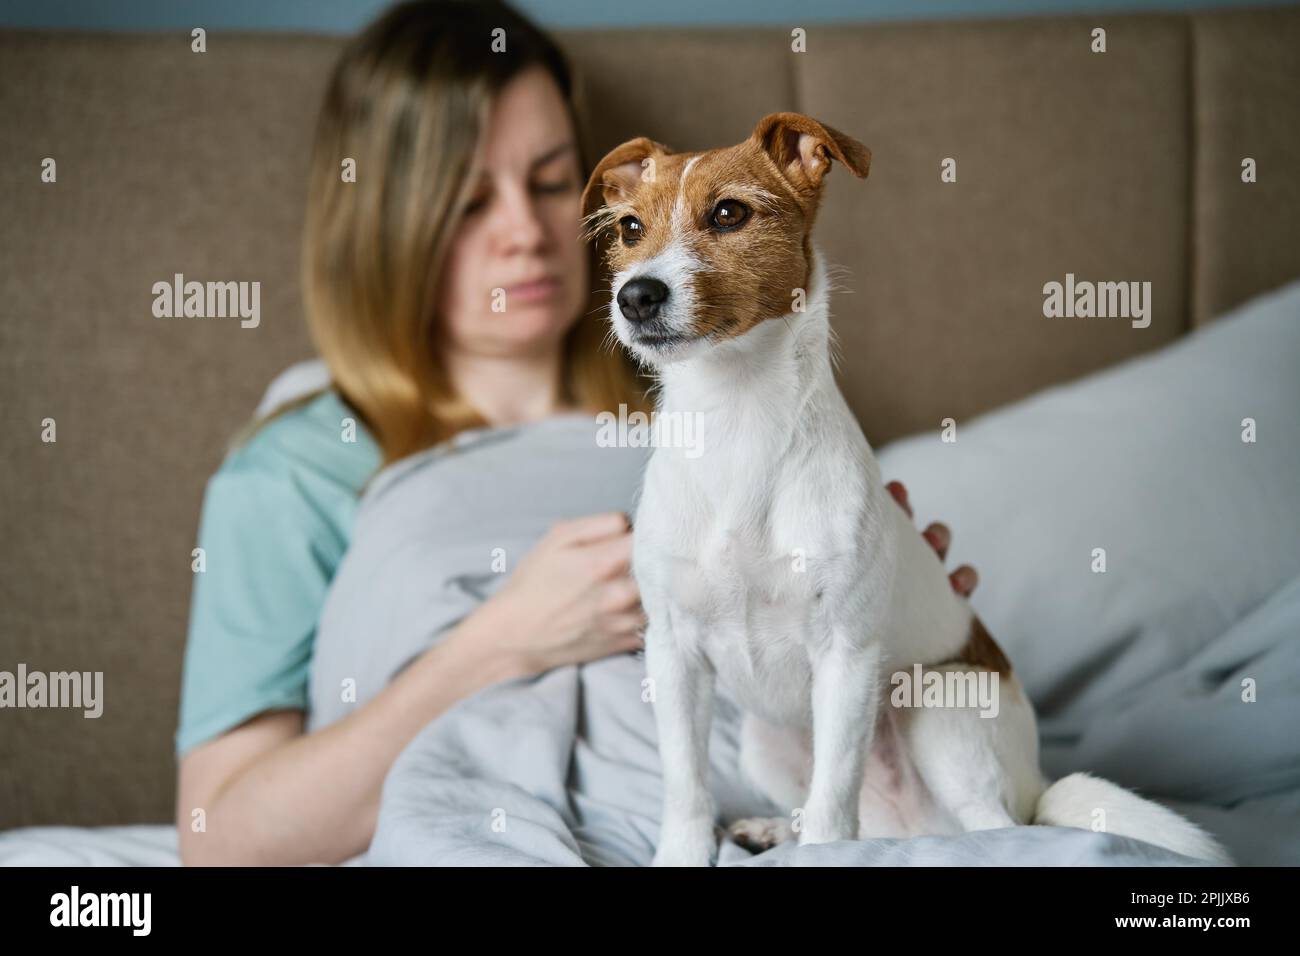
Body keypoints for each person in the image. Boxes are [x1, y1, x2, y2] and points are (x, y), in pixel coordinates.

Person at [173, 0, 979, 867]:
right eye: (468, 198)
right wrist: (499, 642)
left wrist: (885, 592)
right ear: (381, 223)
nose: (526, 232)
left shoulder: (727, 380)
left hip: (782, 810)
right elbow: (222, 838)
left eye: (554, 183)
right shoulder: (296, 467)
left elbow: (828, 642)